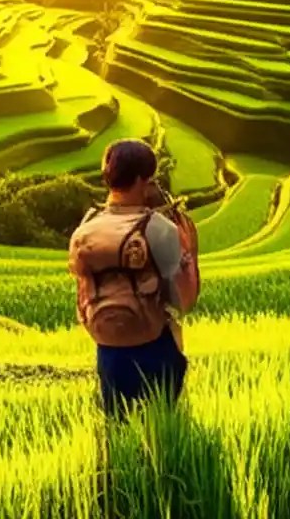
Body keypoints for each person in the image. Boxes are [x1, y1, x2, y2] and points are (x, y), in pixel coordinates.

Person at [69, 139, 196, 419]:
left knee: (116, 428)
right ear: (141, 180)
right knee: (163, 430)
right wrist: (187, 252)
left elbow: (82, 293)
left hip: (107, 350)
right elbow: (183, 300)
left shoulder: (84, 230)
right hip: (153, 348)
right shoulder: (159, 228)